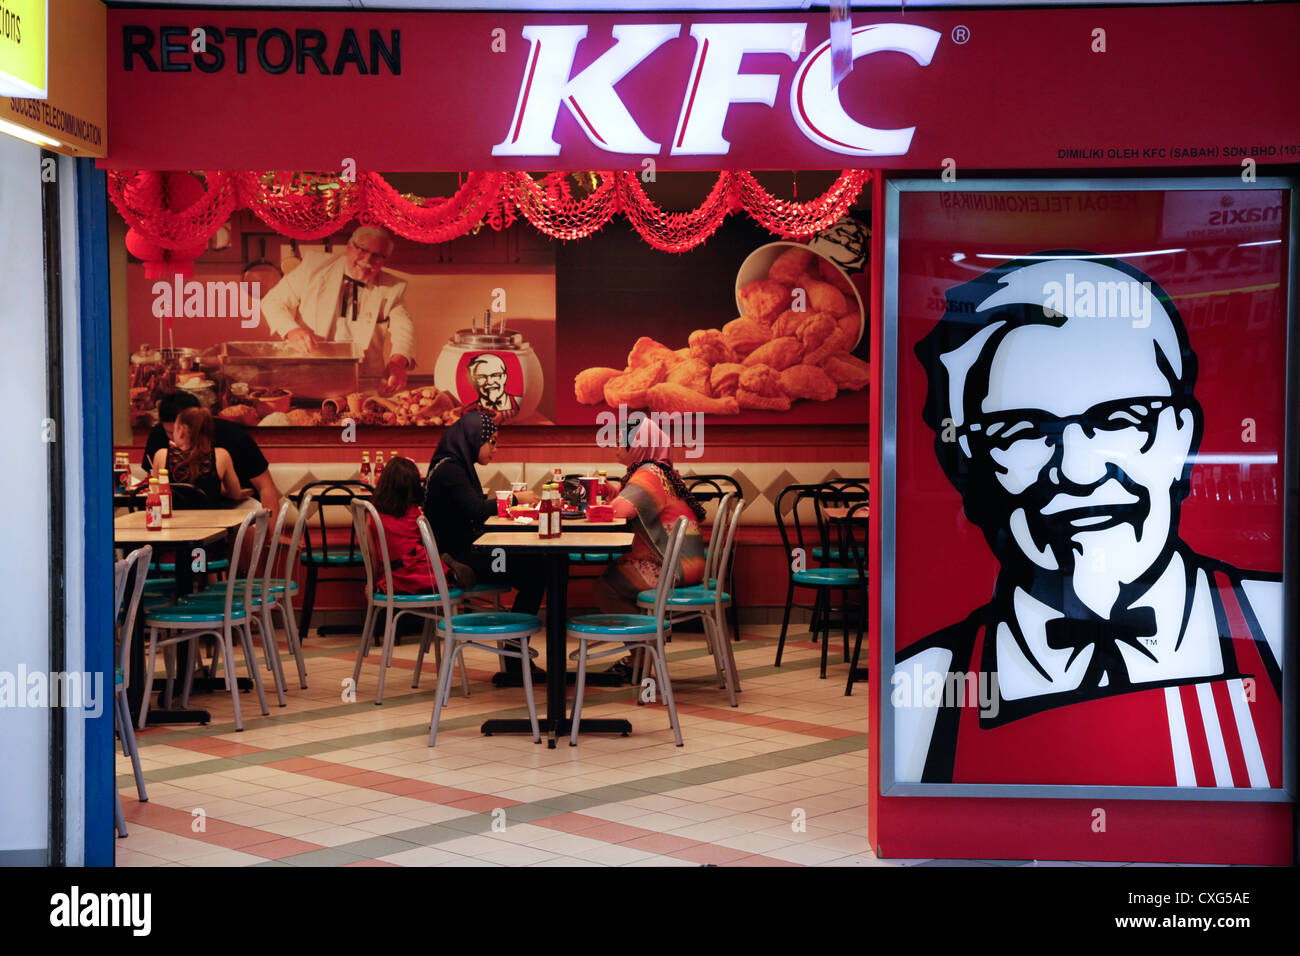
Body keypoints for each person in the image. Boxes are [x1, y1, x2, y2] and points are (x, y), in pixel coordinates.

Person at [895, 255, 1283, 789]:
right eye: (1020, 431)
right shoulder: (925, 689)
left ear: (1182, 435)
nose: (1078, 470)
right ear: (968, 465)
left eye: (1121, 419)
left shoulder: (1281, 629)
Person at [422, 410, 543, 672]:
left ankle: (514, 653)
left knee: (534, 565)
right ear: (475, 439)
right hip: (462, 554)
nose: (496, 448)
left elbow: (471, 510)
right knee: (538, 571)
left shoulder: (452, 464)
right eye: (493, 441)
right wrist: (515, 500)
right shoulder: (452, 470)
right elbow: (476, 510)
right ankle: (514, 656)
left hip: (463, 548)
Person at [259, 225, 415, 396]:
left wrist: (398, 363)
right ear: (349, 246)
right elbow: (273, 301)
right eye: (363, 250)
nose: (368, 260)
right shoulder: (313, 267)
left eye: (377, 256)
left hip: (363, 382)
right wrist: (292, 330)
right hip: (307, 373)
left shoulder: (393, 288)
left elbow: (404, 328)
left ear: (385, 260)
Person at [594, 416, 707, 614]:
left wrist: (591, 508)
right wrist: (613, 493)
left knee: (607, 587)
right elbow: (629, 499)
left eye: (621, 441)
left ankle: (647, 644)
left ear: (638, 445)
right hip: (688, 561)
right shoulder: (657, 470)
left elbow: (622, 510)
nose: (615, 445)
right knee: (612, 576)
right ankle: (649, 640)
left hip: (676, 568)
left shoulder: (649, 473)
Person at [143, 390, 280, 512]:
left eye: (176, 430)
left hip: (222, 511)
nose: (173, 436)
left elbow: (264, 487)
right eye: (169, 432)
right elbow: (235, 492)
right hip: (203, 520)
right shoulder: (221, 455)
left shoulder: (232, 436)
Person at [369, 456, 475, 593]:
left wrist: (373, 582)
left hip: (391, 575)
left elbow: (372, 554)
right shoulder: (414, 514)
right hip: (413, 571)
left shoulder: (371, 511)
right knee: (429, 569)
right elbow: (426, 542)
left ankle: (447, 570)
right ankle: (450, 575)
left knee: (423, 565)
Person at [150, 407, 245, 508]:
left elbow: (155, 494)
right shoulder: (222, 456)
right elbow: (235, 494)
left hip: (173, 522)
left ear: (181, 430)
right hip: (212, 522)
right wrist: (213, 489)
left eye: (174, 429)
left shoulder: (161, 455)